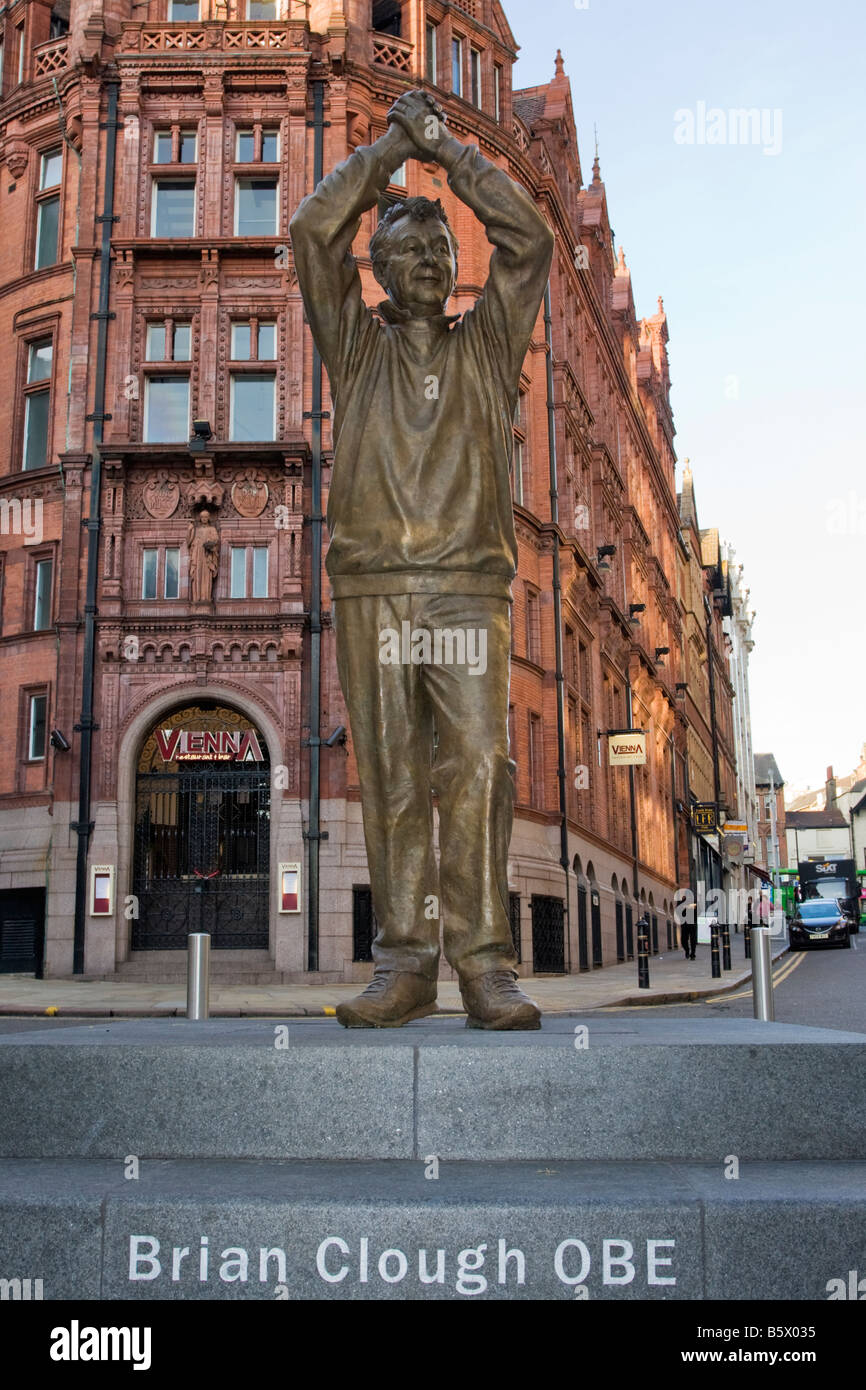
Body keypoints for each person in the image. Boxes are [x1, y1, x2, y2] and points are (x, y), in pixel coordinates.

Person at [290, 90, 554, 1028]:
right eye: (409, 252)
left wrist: (447, 154)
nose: (431, 263)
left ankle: (485, 964)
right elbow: (311, 233)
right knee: (394, 775)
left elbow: (530, 241)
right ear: (383, 272)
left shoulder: (487, 345)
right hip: (371, 590)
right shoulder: (352, 347)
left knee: (480, 764)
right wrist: (384, 151)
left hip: (466, 592)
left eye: (440, 251)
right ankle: (404, 965)